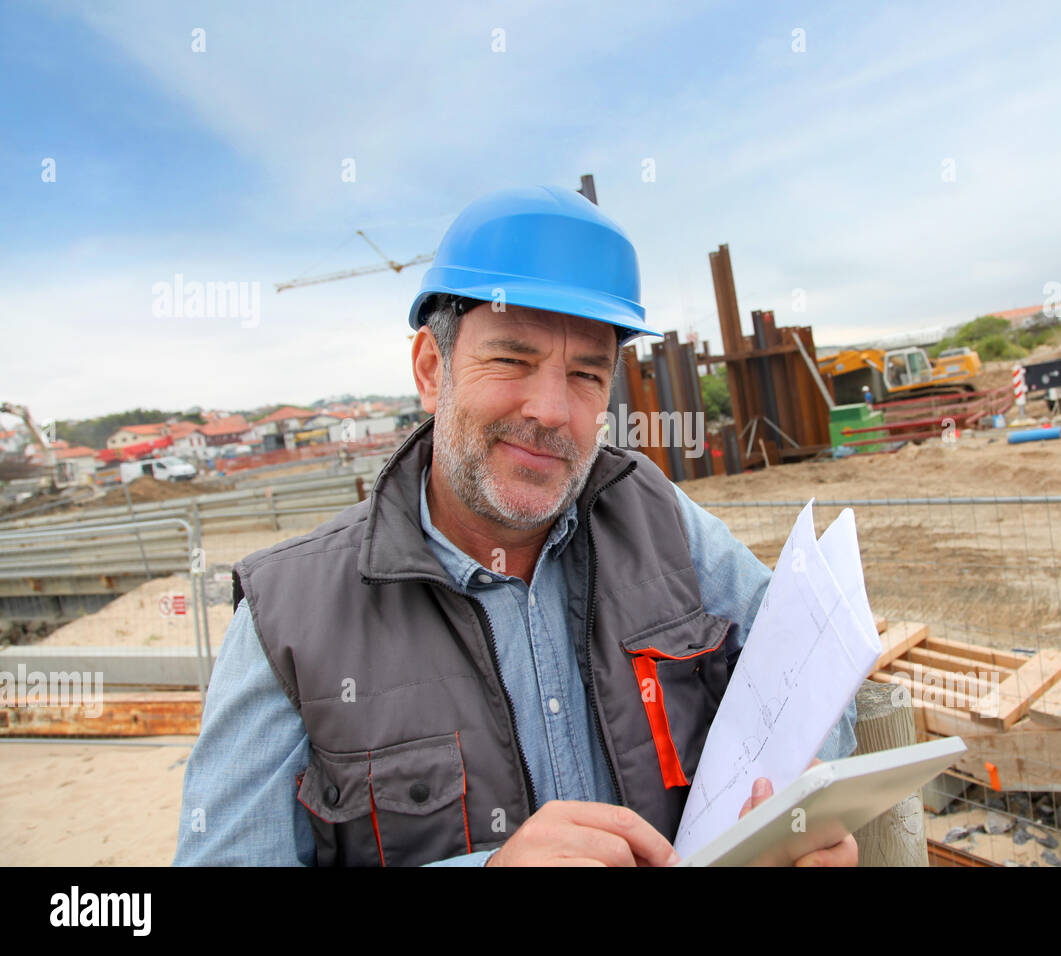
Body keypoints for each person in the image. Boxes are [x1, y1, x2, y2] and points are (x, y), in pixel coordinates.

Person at [173, 185, 858, 867]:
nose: (553, 409)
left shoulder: (661, 522)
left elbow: (816, 681)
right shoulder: (289, 618)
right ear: (431, 367)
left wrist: (790, 808)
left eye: (587, 374)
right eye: (512, 360)